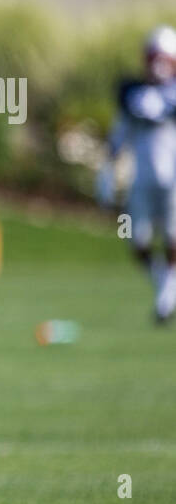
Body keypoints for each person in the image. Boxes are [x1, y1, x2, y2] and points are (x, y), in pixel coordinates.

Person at [97, 25, 176, 323]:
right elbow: (119, 138)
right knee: (137, 242)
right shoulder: (135, 97)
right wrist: (106, 174)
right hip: (141, 181)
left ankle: (166, 299)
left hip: (173, 181)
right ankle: (165, 290)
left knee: (172, 239)